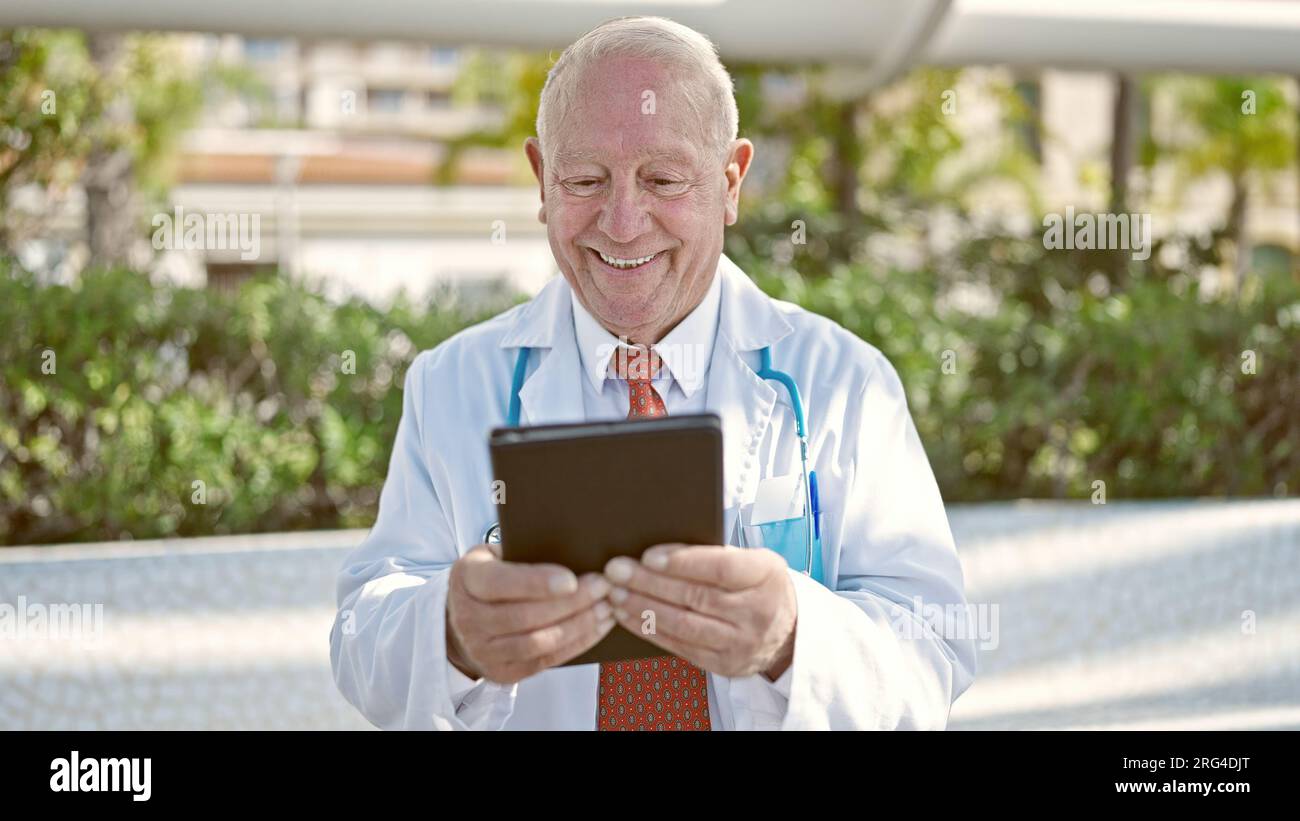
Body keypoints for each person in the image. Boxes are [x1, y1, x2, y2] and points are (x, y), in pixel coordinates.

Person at [330, 15, 976, 730]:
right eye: (585, 179)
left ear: (730, 182)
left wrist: (793, 635)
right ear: (542, 178)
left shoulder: (847, 385)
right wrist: (450, 632)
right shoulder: (449, 385)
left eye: (663, 178)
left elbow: (935, 651)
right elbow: (361, 639)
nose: (623, 221)